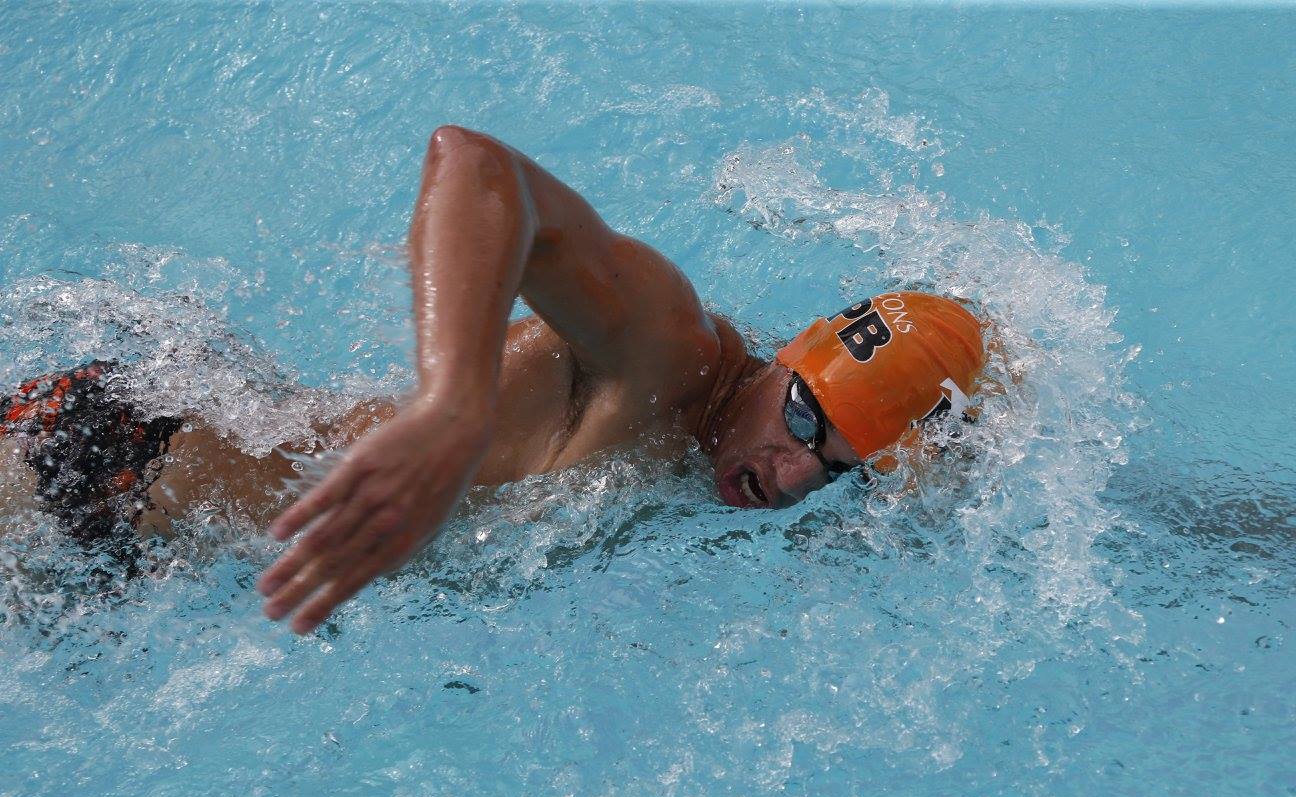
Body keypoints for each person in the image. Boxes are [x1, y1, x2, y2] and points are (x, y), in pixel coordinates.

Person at [0, 126, 987, 634]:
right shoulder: (668, 347)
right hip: (100, 462)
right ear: (787, 361)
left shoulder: (730, 451)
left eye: (837, 464)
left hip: (146, 554)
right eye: (804, 417)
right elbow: (472, 164)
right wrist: (452, 404)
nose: (793, 474)